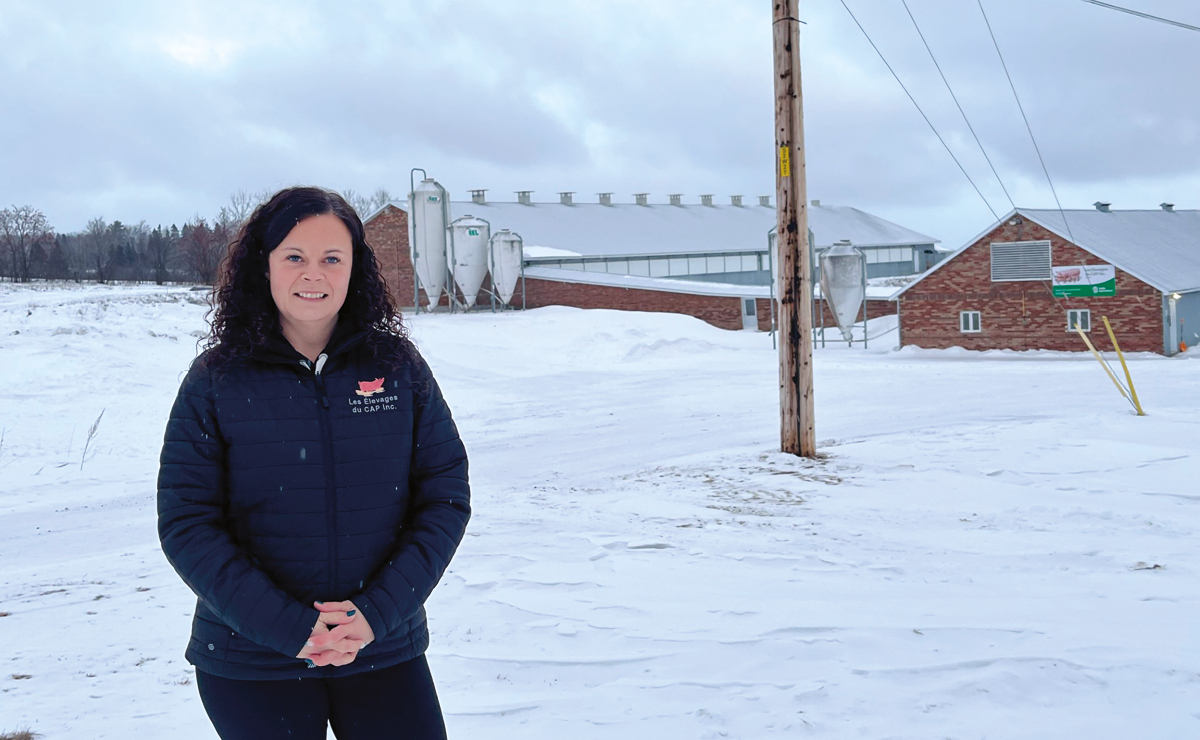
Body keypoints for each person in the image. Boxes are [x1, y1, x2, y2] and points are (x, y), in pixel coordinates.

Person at [157, 186, 470, 740]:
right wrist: (291, 628)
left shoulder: (397, 369)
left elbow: (444, 495)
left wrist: (375, 615)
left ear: (354, 269)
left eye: (332, 258)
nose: (313, 274)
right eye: (294, 257)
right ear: (265, 265)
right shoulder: (216, 380)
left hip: (381, 649)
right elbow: (188, 523)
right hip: (250, 658)